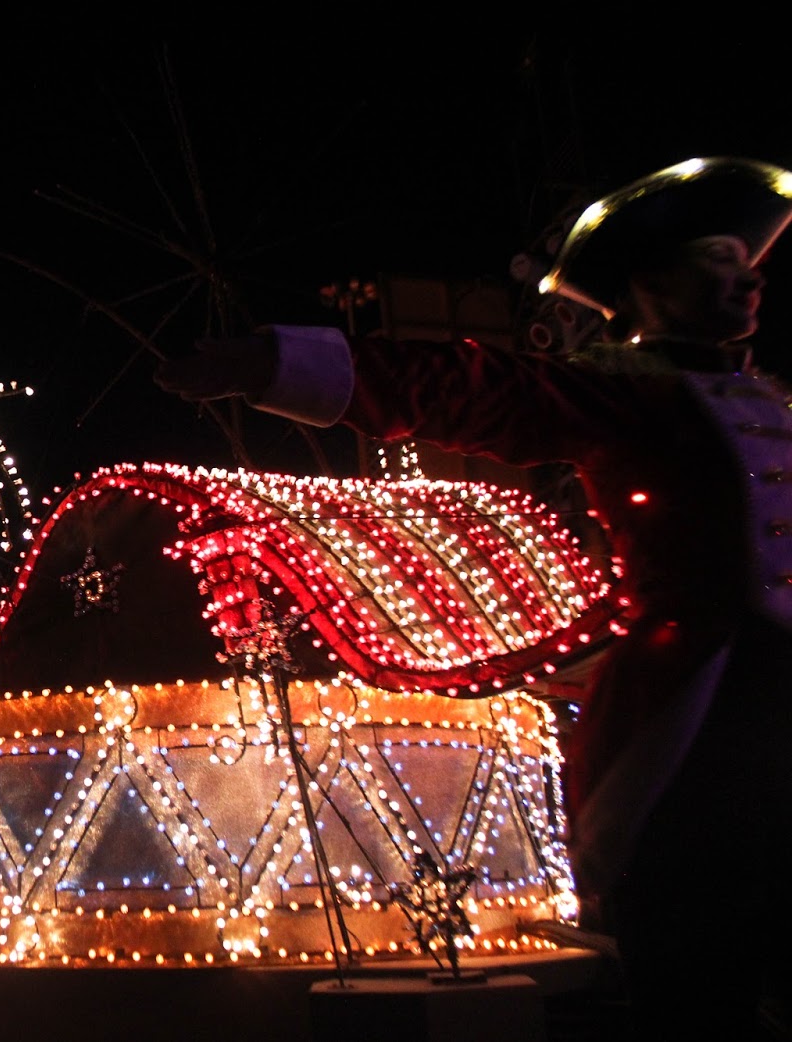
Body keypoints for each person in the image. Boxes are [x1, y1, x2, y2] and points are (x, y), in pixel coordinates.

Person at [154, 155, 791, 1040]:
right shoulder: (629, 393)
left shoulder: (771, 398)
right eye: (715, 262)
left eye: (745, 261)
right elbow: (469, 390)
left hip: (774, 702)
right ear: (651, 286)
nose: (746, 279)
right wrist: (276, 362)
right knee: (700, 954)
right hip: (697, 713)